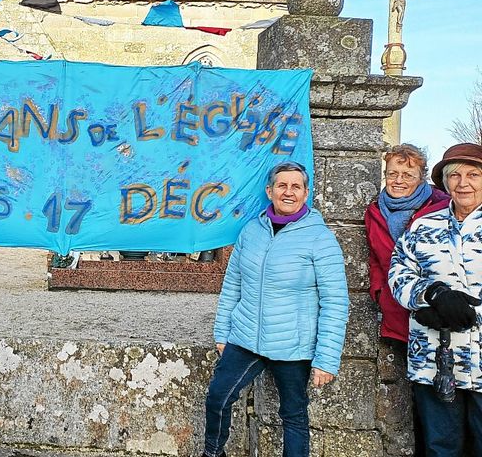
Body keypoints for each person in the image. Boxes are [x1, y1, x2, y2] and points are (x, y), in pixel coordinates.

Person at [201, 161, 349, 457]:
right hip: (246, 338)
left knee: (293, 415)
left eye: (296, 186)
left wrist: (327, 359)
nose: (288, 192)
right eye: (282, 185)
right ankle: (213, 453)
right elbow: (233, 284)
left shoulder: (320, 239)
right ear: (270, 191)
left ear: (306, 193)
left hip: (293, 345)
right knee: (218, 397)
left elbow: (336, 300)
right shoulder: (251, 231)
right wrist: (222, 332)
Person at [389, 143, 482, 456]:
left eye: (473, 174)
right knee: (441, 446)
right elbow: (398, 275)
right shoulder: (423, 226)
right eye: (454, 175)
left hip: (480, 357)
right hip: (435, 359)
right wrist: (430, 295)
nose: (463, 183)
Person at [365, 144, 448, 457]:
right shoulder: (376, 210)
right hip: (399, 316)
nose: (398, 180)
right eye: (392, 174)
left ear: (421, 176)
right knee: (417, 398)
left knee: (447, 398)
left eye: (407, 174)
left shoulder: (441, 205)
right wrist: (379, 293)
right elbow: (375, 258)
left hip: (439, 316)